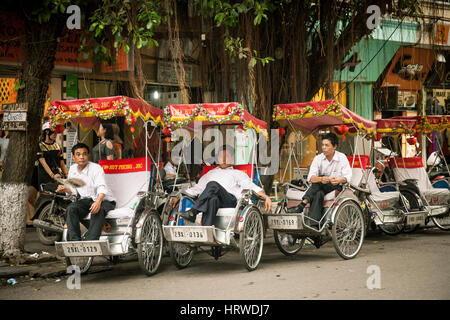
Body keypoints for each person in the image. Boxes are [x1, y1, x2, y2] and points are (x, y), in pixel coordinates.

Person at [171, 145, 272, 226]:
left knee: (212, 185)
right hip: (214, 201)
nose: (223, 159)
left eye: (226, 156)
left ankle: (194, 211)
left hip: (230, 201)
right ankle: (207, 231)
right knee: (212, 199)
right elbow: (197, 189)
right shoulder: (210, 173)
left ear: (232, 158)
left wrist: (265, 196)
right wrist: (179, 196)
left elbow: (251, 186)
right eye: (220, 156)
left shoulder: (238, 173)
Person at [287, 133, 352, 230]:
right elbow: (311, 178)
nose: (323, 148)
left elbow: (348, 177)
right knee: (319, 194)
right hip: (321, 186)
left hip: (336, 185)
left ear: (334, 147)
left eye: (327, 145)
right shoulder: (318, 158)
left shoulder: (341, 157)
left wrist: (339, 179)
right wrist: (321, 179)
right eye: (322, 145)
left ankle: (302, 204)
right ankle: (315, 226)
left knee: (319, 182)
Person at [56, 143, 116, 241]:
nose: (81, 157)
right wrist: (65, 189)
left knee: (97, 210)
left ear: (88, 156)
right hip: (86, 201)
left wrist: (98, 202)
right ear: (74, 157)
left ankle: (90, 241)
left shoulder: (96, 168)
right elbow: (73, 191)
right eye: (78, 154)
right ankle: (75, 241)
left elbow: (101, 186)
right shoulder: (72, 169)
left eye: (84, 154)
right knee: (71, 209)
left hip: (104, 199)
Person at [37, 122, 68, 187]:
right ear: (47, 132)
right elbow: (43, 163)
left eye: (56, 133)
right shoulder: (40, 146)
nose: (55, 134)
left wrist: (66, 174)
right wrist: (52, 175)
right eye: (53, 132)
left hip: (58, 176)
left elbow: (61, 162)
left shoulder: (57, 146)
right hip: (45, 176)